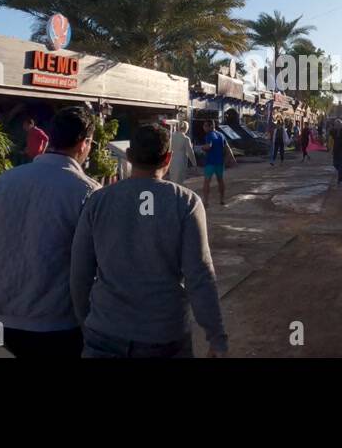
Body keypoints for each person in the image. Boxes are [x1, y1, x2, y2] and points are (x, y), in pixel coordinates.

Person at [71, 123, 228, 358]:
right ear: (168, 158)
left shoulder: (98, 200)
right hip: (164, 336)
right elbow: (200, 276)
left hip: (104, 333)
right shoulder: (185, 203)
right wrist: (216, 337)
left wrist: (88, 321)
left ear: (130, 156)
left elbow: (80, 272)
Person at [0, 107, 98, 358]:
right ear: (83, 143)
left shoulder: (6, 180)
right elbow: (93, 264)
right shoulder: (88, 191)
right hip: (55, 324)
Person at [201, 120, 235, 206]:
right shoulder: (221, 135)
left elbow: (209, 146)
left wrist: (203, 147)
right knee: (220, 181)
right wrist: (231, 159)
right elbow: (227, 148)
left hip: (210, 162)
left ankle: (205, 201)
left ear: (211, 126)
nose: (204, 128)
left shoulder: (209, 135)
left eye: (205, 126)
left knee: (207, 182)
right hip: (219, 162)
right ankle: (222, 199)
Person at [166, 120, 197, 185]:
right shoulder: (185, 138)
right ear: (186, 128)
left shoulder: (172, 136)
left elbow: (168, 149)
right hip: (181, 161)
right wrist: (194, 164)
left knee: (173, 180)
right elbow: (190, 152)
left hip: (172, 161)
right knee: (179, 181)